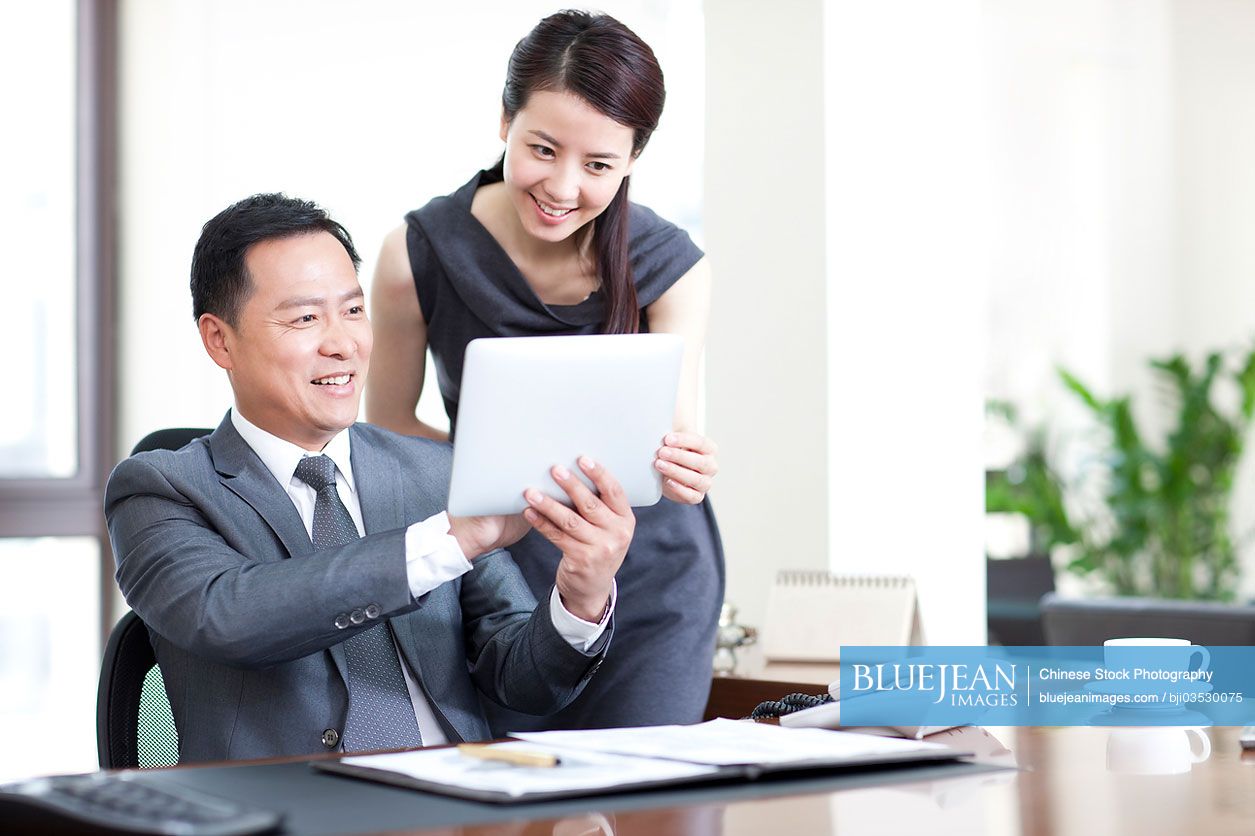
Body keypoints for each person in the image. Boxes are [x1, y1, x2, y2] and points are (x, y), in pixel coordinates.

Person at [105, 193, 636, 762]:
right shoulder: (160, 489)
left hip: (462, 808)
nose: (342, 344)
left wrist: (581, 595)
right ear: (219, 340)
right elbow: (229, 618)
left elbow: (524, 682)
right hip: (291, 814)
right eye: (306, 318)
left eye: (353, 311)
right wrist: (446, 542)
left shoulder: (434, 471)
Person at [367, 10, 723, 731]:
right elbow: (389, 427)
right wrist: (499, 475)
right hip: (499, 580)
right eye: (543, 149)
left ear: (631, 161)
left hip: (653, 580)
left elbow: (678, 433)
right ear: (504, 121)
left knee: (647, 802)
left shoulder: (670, 265)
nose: (562, 186)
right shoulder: (415, 253)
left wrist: (688, 464)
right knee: (515, 799)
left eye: (598, 166)